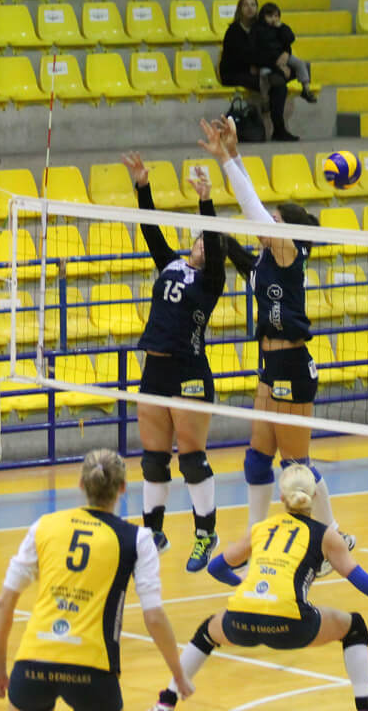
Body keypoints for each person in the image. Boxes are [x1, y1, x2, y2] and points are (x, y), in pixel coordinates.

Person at [198, 116, 355, 576]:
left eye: (275, 222)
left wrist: (227, 159)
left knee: (296, 468)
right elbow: (256, 211)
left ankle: (333, 540)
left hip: (291, 363)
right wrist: (234, 154)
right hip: (269, 364)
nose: (267, 226)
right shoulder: (266, 262)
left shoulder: (287, 251)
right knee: (256, 460)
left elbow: (254, 211)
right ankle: (253, 551)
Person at [148, 464, 368, 711]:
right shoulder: (327, 535)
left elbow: (216, 567)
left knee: (208, 631)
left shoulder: (261, 528)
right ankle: (366, 706)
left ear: (281, 499)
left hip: (241, 621)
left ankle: (166, 702)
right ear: (315, 497)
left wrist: (241, 581)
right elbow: (363, 582)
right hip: (292, 625)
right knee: (355, 626)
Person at [0, 449, 195, 711]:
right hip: (92, 670)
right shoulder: (137, 538)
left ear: (81, 484)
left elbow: (4, 602)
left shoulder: (44, 526)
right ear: (122, 488)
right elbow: (153, 616)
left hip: (34, 663)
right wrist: (177, 673)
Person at [121, 150, 225, 573]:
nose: (200, 242)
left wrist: (205, 202)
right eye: (198, 238)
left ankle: (205, 533)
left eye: (205, 238)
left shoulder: (212, 280)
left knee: (192, 459)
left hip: (189, 373)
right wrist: (142, 186)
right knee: (152, 458)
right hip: (155, 368)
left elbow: (215, 245)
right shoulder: (171, 264)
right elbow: (151, 231)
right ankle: (152, 533)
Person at [218, 0, 299, 142]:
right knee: (277, 80)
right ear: (240, 9)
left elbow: (280, 43)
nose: (250, 8)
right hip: (236, 72)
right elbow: (243, 56)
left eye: (253, 5)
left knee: (279, 83)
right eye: (246, 5)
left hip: (258, 70)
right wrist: (274, 66)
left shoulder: (261, 28)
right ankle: (277, 127)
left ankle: (279, 130)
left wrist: (286, 53)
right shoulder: (233, 31)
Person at [251, 2, 316, 104]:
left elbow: (290, 39)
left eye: (276, 16)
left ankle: (306, 89)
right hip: (268, 61)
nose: (274, 19)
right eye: (270, 16)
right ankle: (265, 98)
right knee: (264, 74)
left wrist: (282, 28)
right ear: (263, 17)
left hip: (283, 56)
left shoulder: (280, 28)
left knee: (300, 63)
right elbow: (263, 50)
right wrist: (278, 64)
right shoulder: (258, 30)